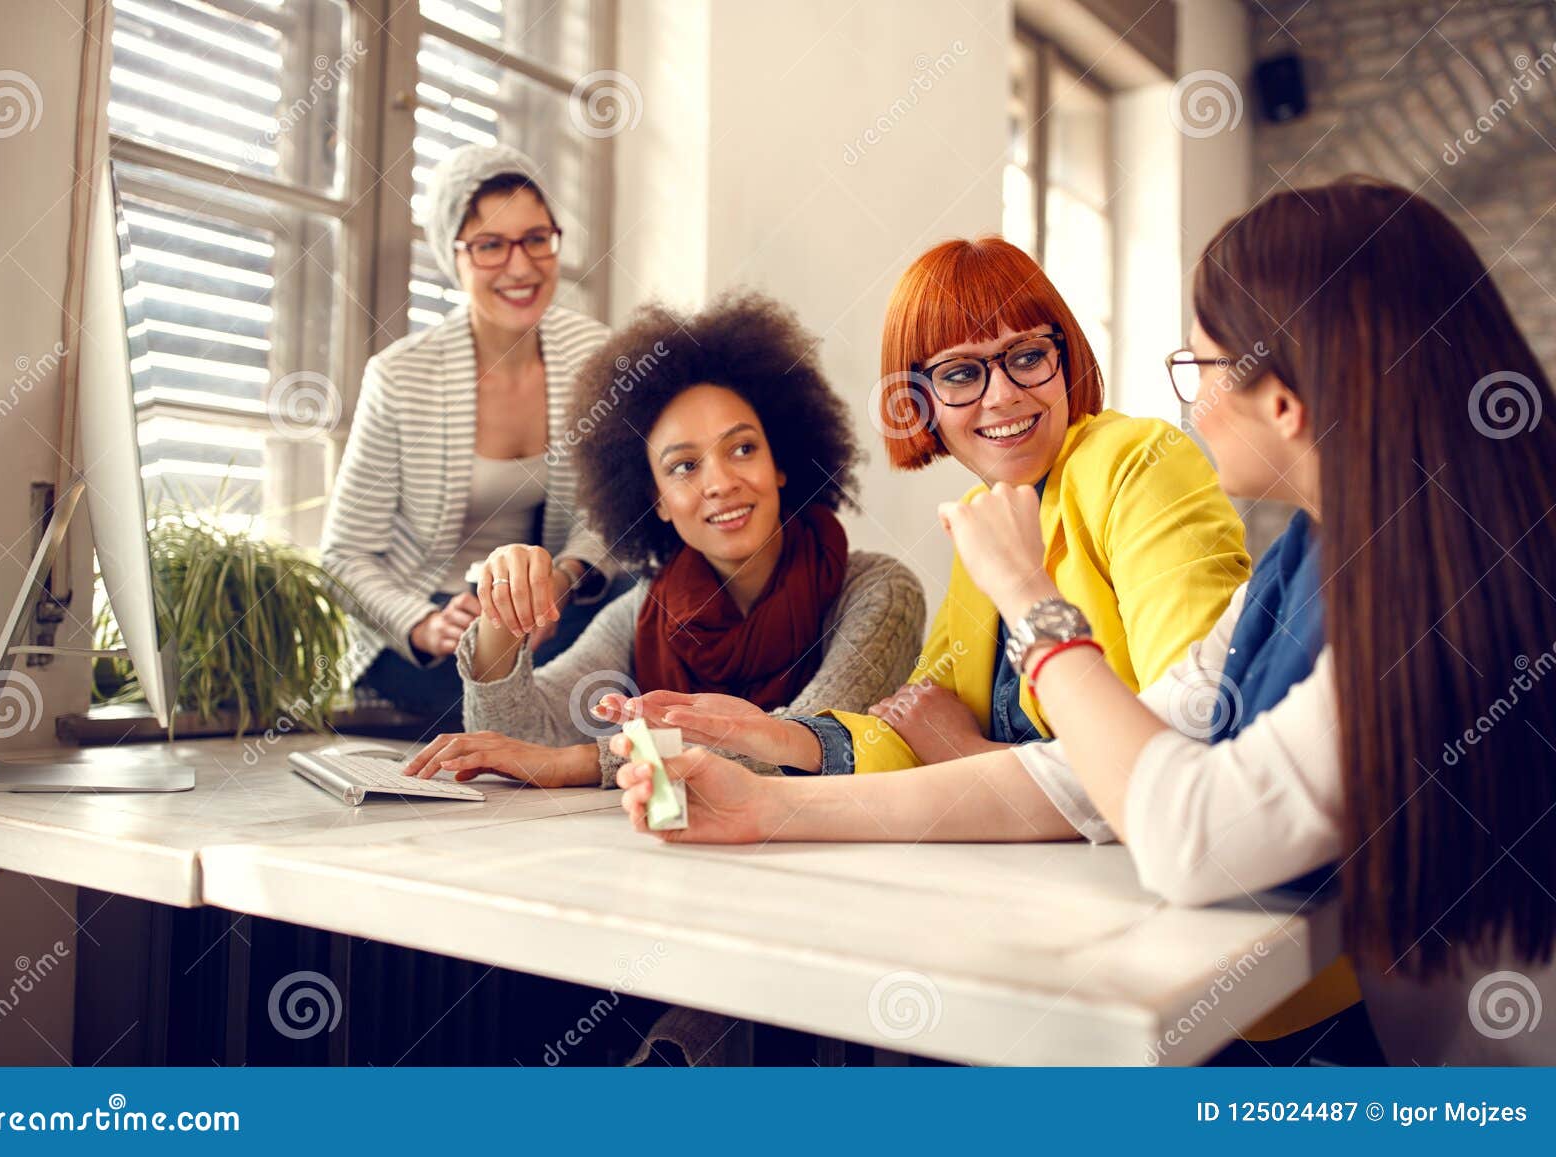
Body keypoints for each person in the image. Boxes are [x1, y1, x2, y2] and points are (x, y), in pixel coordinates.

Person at [612, 179, 1556, 1066]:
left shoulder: (1407, 587)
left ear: (1283, 400)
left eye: (1202, 365)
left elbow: (1181, 809)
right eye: (961, 373)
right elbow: (1095, 763)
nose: (1191, 397)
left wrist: (1033, 606)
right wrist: (770, 794)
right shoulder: (1314, 554)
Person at [611, 236, 1249, 788]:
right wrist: (776, 735)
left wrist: (967, 753)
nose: (1002, 395)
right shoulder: (981, 514)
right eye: (961, 374)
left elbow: (1185, 741)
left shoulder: (1138, 462)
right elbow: (915, 728)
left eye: (1028, 356)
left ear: (1065, 356)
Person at [400, 291, 924, 791]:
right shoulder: (647, 611)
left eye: (743, 449)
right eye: (684, 466)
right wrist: (502, 610)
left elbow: (813, 744)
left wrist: (583, 762)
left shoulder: (877, 591)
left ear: (780, 462)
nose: (719, 483)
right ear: (656, 500)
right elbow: (520, 739)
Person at [321, 143, 623, 733]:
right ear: (452, 255)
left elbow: (610, 513)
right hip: (432, 617)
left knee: (643, 613)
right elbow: (343, 556)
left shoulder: (595, 355)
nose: (520, 266)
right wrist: (422, 625)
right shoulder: (400, 375)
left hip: (552, 609)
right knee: (542, 697)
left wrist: (563, 579)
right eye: (490, 245)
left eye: (536, 239)